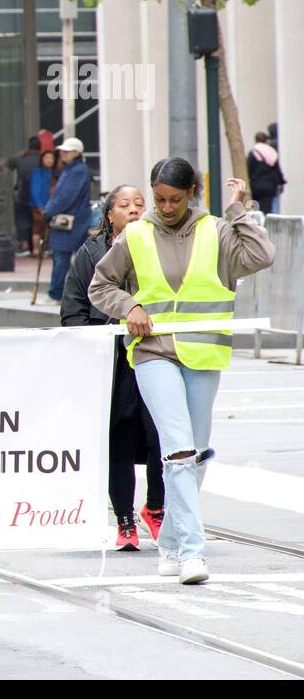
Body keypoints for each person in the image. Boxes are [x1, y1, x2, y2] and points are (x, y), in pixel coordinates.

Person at [89, 158, 274, 585]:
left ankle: (170, 540)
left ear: (192, 192)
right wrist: (129, 306)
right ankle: (193, 551)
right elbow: (100, 286)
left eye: (174, 199)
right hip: (153, 352)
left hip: (204, 352)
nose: (165, 207)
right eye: (158, 199)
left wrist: (238, 210)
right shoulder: (136, 235)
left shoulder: (216, 230)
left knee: (197, 451)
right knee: (177, 449)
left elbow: (262, 255)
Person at [61, 184, 165, 551]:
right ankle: (124, 520)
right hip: (113, 363)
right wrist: (97, 339)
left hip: (155, 353)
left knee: (162, 436)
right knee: (119, 438)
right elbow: (72, 309)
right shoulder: (89, 255)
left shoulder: (159, 246)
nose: (135, 210)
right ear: (110, 216)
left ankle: (156, 508)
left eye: (140, 204)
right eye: (125, 205)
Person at [42, 137, 92, 302]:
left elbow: (65, 197)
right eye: (62, 151)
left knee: (62, 257)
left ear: (77, 153)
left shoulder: (77, 171)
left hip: (71, 222)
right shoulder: (72, 169)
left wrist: (48, 211)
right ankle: (67, 293)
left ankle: (57, 293)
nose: (63, 153)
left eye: (67, 151)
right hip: (72, 220)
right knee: (70, 257)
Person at [3, 136, 43, 257]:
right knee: (38, 221)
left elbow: (6, 163)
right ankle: (39, 247)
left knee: (22, 219)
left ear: (29, 146)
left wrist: (22, 153)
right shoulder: (44, 159)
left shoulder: (21, 159)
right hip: (40, 196)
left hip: (22, 195)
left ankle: (25, 245)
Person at [247, 132, 286, 216]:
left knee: (256, 208)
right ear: (266, 140)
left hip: (256, 185)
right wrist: (282, 183)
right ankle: (265, 225)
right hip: (270, 186)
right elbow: (277, 170)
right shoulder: (272, 152)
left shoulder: (253, 152)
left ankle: (257, 225)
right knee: (267, 209)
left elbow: (249, 168)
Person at [29, 149, 58, 256]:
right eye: (47, 158)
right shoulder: (38, 172)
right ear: (42, 160)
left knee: (47, 228)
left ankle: (45, 249)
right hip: (39, 205)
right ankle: (36, 249)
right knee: (37, 227)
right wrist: (39, 205)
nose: (49, 160)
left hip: (51, 204)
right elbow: (35, 190)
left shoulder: (54, 173)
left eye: (51, 158)